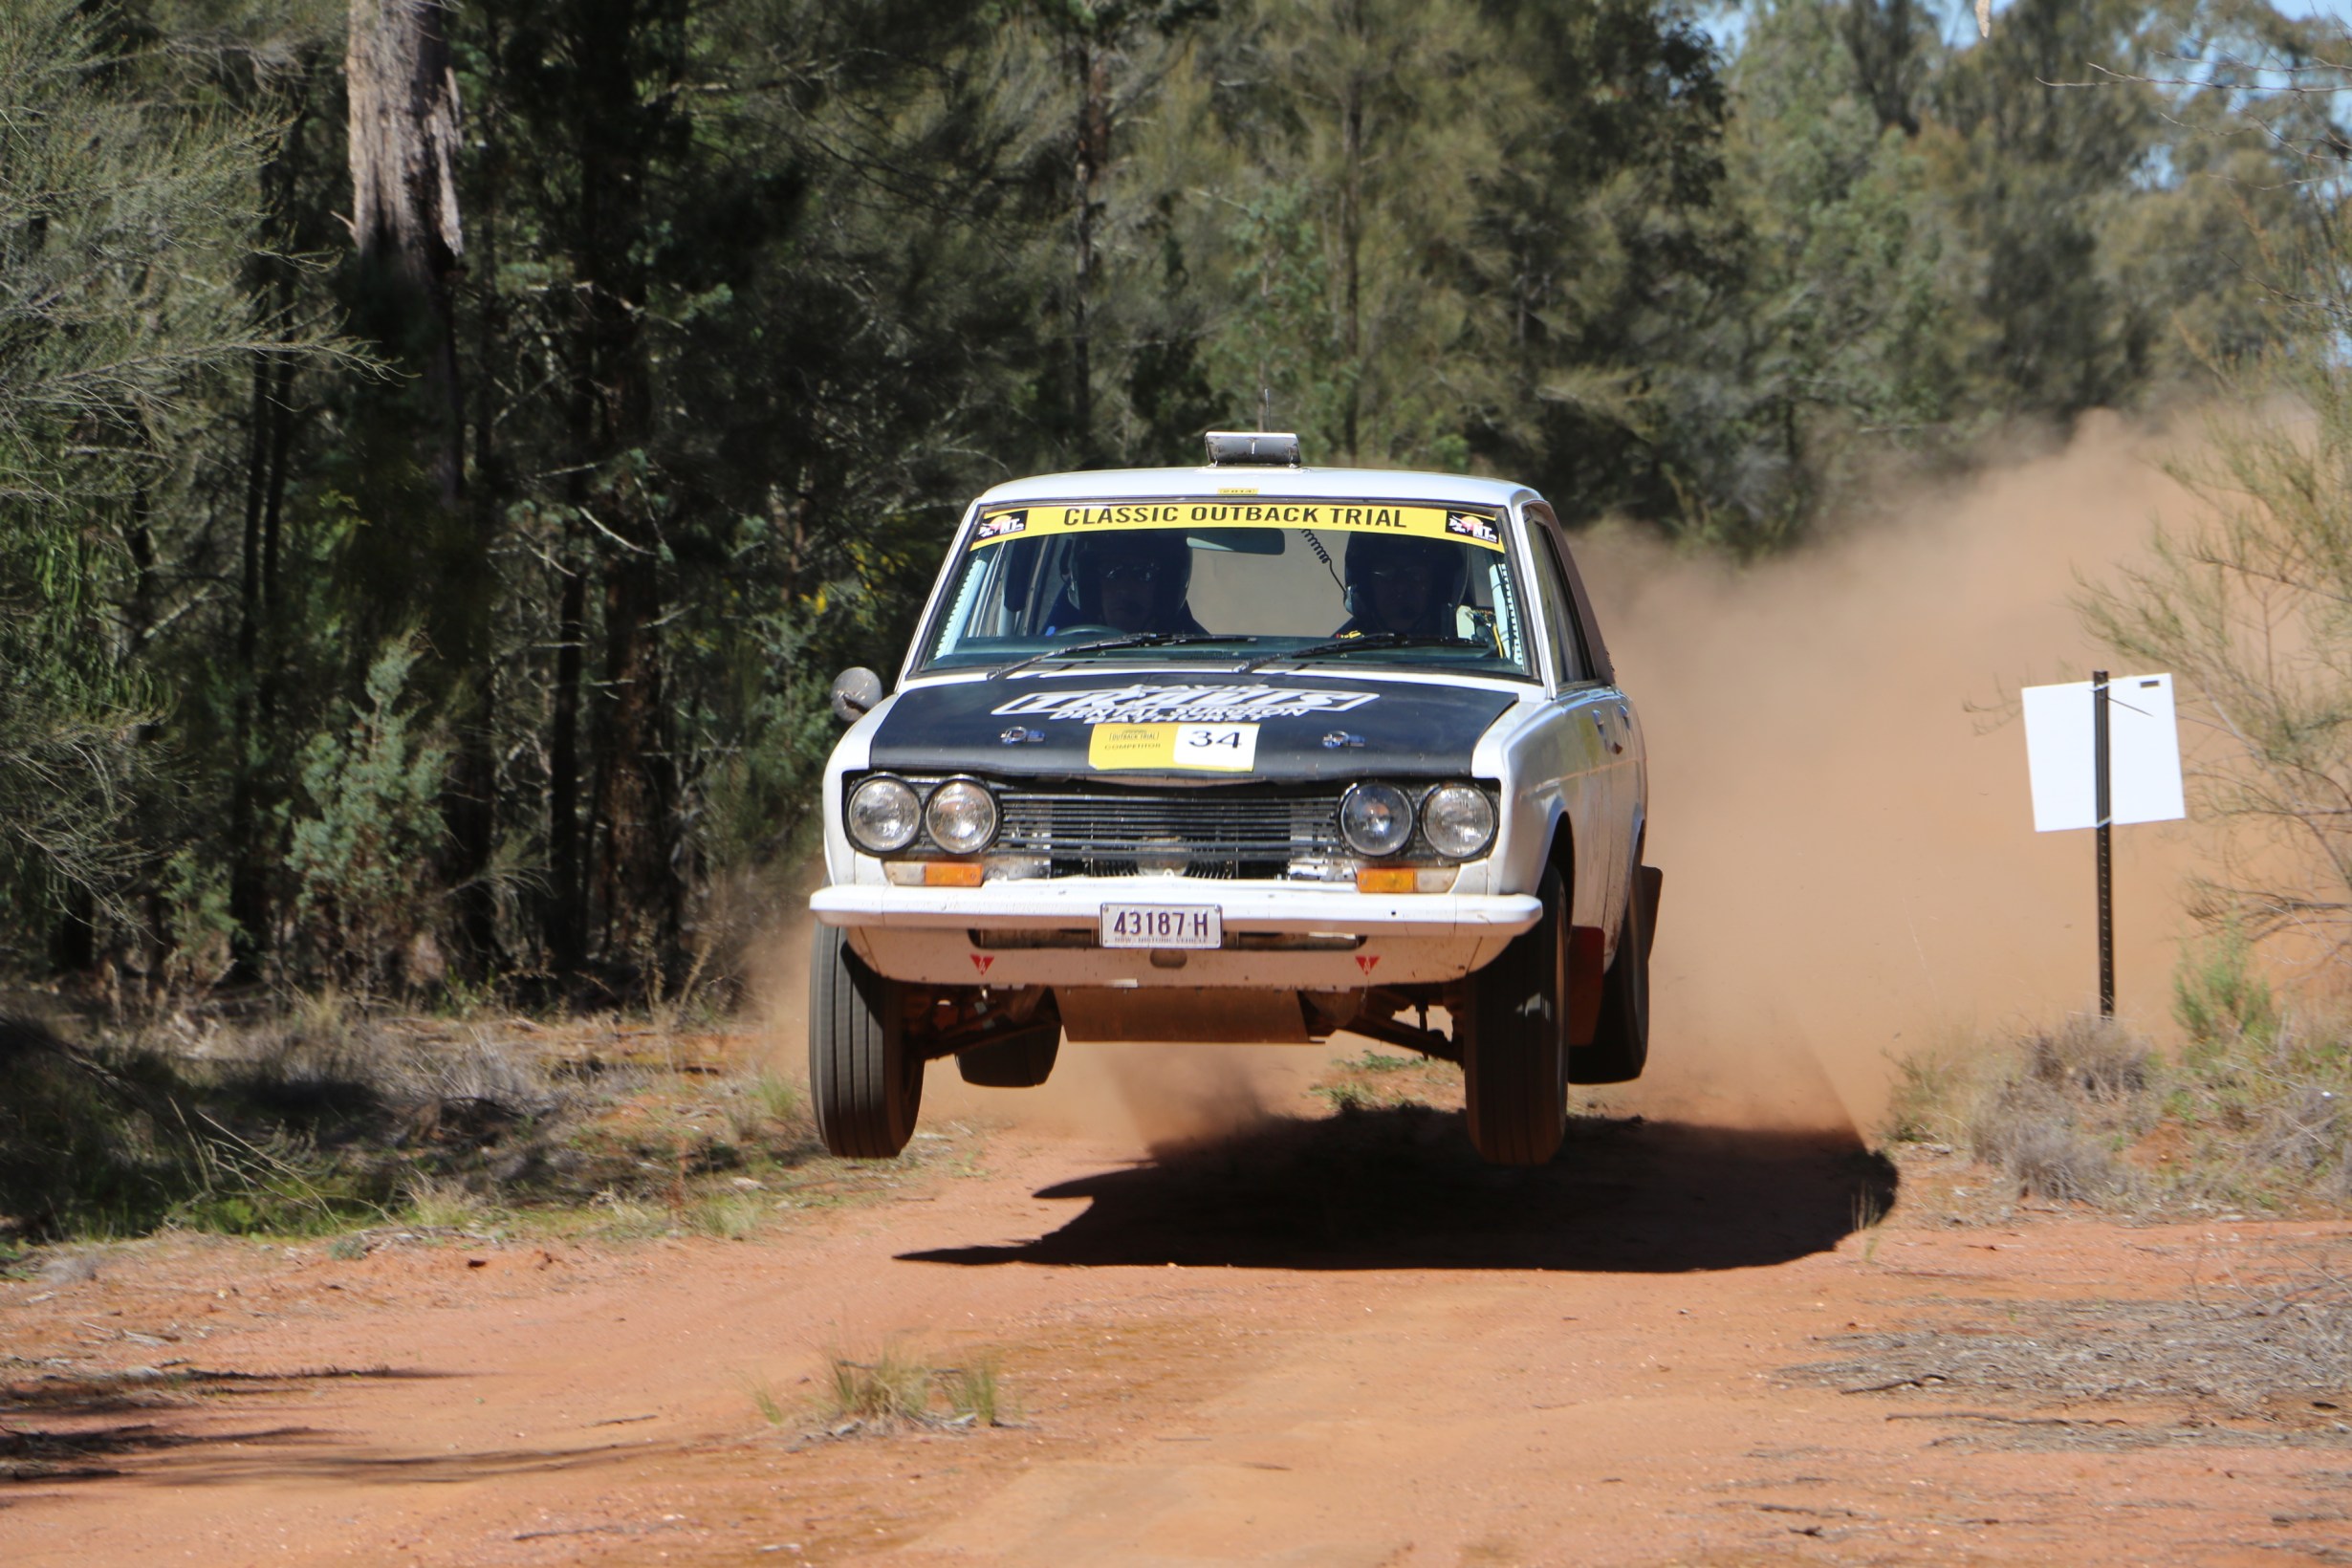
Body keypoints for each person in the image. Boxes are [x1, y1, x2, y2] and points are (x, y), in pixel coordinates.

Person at [1050, 530, 1205, 635]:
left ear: (1164, 587)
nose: (1125, 588)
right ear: (1092, 585)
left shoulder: (1201, 660)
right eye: (1112, 571)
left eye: (1144, 573)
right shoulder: (1046, 656)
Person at [1337, 533, 1469, 637]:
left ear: (1437, 589)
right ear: (1366, 586)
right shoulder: (1335, 655)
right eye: (1385, 574)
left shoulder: (1472, 648)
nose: (1401, 587)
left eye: (1415, 575)